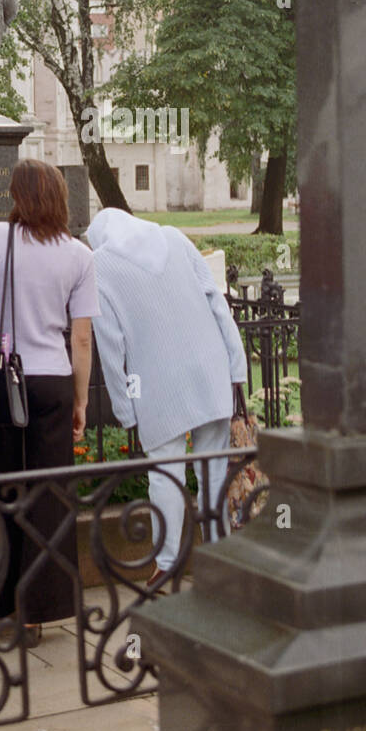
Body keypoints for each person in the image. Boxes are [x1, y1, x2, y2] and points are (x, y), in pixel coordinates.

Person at [0, 160, 98, 639]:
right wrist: (80, 401)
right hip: (53, 383)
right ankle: (39, 610)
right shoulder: (80, 255)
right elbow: (81, 339)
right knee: (49, 498)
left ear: (18, 196)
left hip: (0, 381)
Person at [87, 209, 247, 589]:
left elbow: (111, 346)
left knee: (165, 475)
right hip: (209, 369)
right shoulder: (174, 237)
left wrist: (125, 408)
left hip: (155, 381)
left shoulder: (99, 265)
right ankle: (220, 554)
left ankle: (167, 563)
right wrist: (236, 368)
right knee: (213, 467)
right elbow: (217, 303)